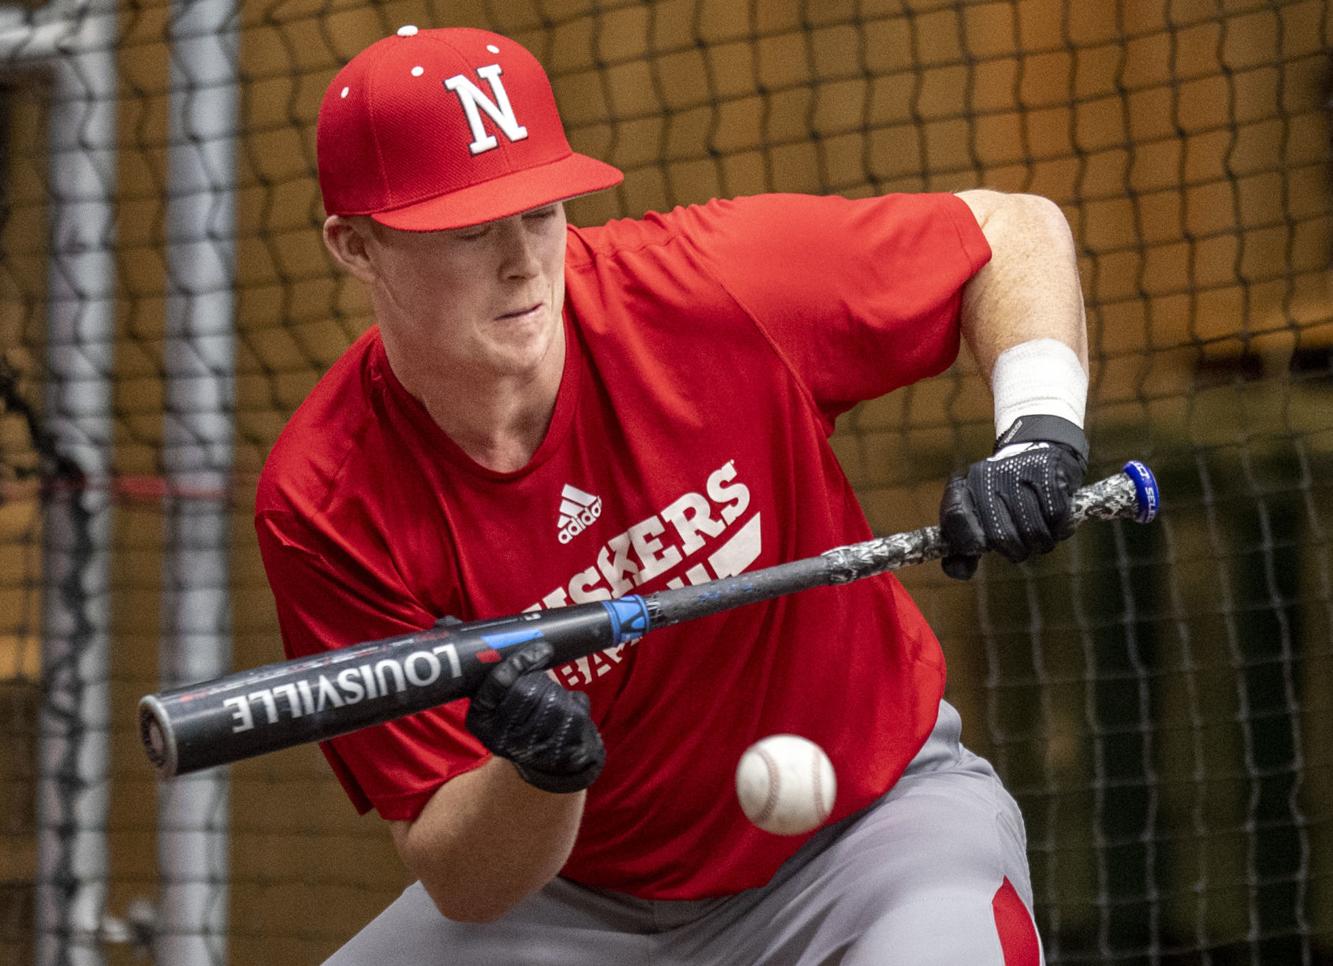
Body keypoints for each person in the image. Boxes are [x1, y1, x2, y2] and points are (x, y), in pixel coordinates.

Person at [256, 23, 1090, 966]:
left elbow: (1010, 231)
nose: (525, 263)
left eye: (539, 211)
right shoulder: (322, 500)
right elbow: (464, 878)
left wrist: (1036, 434)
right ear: (354, 246)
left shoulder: (705, 286)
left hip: (871, 832)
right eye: (469, 229)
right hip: (575, 898)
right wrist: (538, 773)